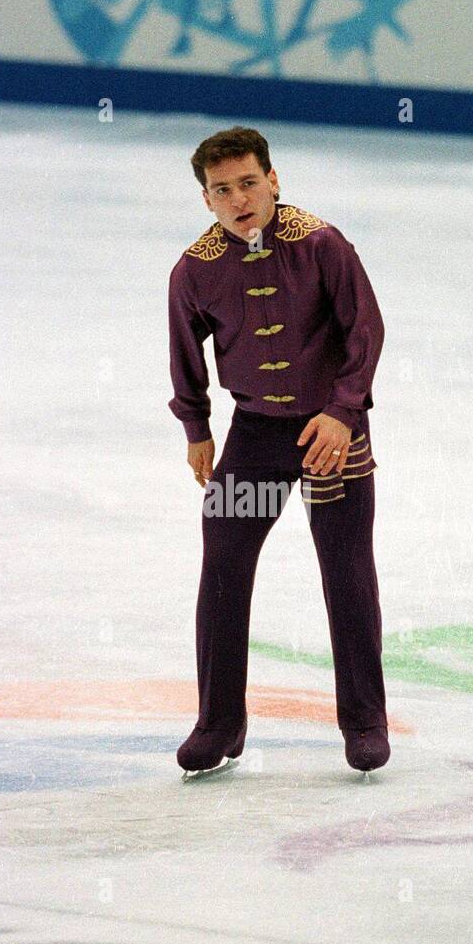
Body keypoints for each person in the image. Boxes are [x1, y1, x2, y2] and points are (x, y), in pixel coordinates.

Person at [167, 125, 389, 776]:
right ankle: (219, 721)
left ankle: (363, 720)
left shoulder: (321, 244)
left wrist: (343, 413)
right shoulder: (196, 269)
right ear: (207, 199)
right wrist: (197, 430)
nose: (238, 198)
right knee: (224, 564)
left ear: (273, 180)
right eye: (221, 190)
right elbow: (185, 356)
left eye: (248, 183)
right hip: (257, 438)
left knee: (345, 570)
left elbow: (364, 330)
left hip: (332, 436)